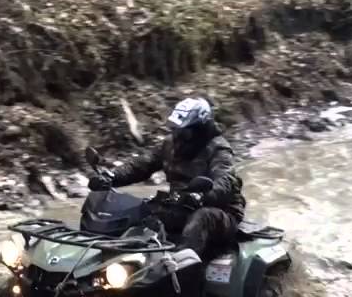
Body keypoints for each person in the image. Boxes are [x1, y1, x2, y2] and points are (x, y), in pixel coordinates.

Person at [89, 98, 245, 262]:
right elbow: (141, 165)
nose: (178, 136)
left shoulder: (218, 149)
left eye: (184, 132)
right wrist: (111, 177)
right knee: (139, 210)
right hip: (180, 204)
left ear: (200, 128)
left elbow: (225, 181)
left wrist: (202, 196)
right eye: (176, 130)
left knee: (201, 218)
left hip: (219, 212)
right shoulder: (170, 145)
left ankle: (183, 270)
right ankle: (117, 262)